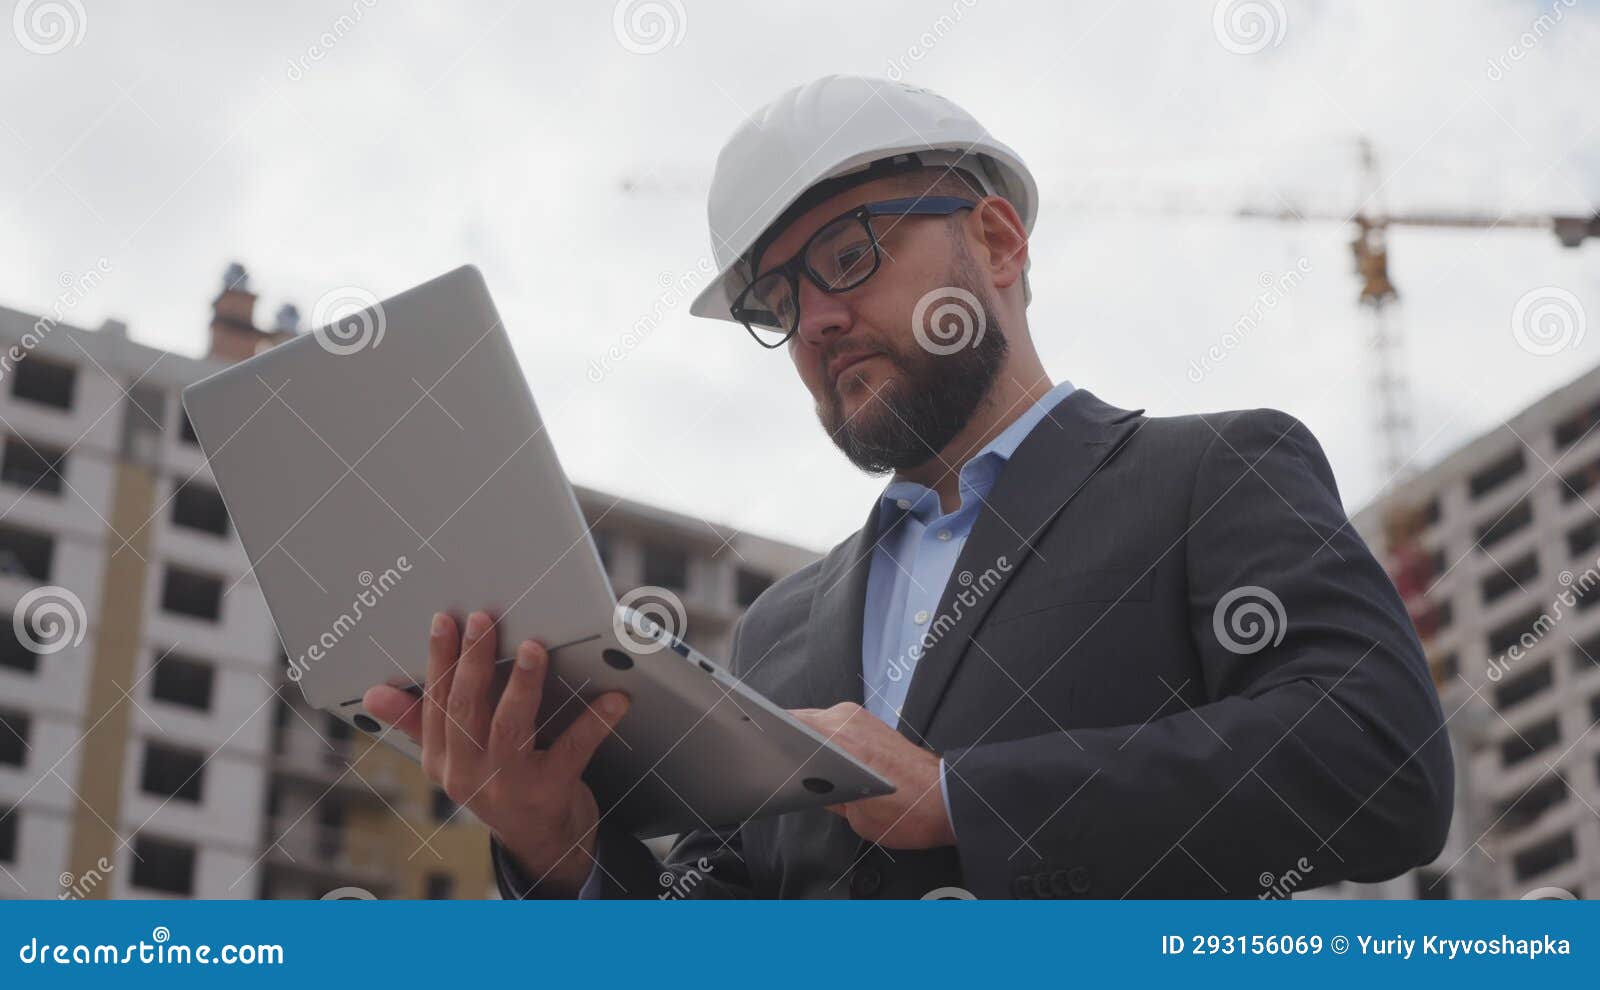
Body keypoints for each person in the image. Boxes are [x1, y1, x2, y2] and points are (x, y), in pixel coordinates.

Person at [363, 74, 1453, 899]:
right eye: (778, 302)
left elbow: (1379, 758)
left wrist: (960, 798)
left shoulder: (1211, 475)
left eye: (847, 255)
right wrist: (557, 847)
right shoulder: (780, 630)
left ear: (996, 241)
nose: (816, 321)